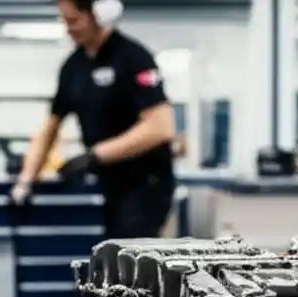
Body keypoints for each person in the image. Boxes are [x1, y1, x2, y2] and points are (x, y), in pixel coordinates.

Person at [10, 0, 176, 240]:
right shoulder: (73, 67)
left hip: (146, 184)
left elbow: (160, 127)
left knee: (129, 251)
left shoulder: (133, 58)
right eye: (64, 21)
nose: (69, 29)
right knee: (108, 252)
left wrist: (95, 156)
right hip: (109, 184)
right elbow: (50, 127)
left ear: (98, 14)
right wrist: (25, 181)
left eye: (74, 21)